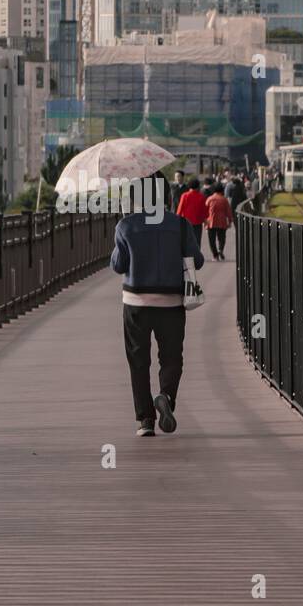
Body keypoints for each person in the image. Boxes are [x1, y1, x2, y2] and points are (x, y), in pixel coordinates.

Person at [110, 178, 205, 437]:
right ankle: (165, 396)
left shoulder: (126, 226)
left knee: (138, 360)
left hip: (136, 303)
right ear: (165, 196)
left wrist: (123, 230)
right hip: (172, 302)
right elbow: (197, 260)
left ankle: (145, 421)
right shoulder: (180, 225)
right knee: (172, 357)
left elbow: (118, 265)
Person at [175, 177, 207, 248]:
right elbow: (204, 211)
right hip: (198, 223)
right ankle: (196, 257)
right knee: (197, 241)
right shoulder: (201, 196)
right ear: (198, 186)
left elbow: (180, 209)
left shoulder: (184, 196)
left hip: (186, 223)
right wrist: (205, 221)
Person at [205, 187, 232, 260]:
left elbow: (205, 210)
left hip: (211, 221)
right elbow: (228, 212)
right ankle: (220, 250)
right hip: (222, 221)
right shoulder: (224, 199)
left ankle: (215, 255)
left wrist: (204, 222)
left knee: (211, 240)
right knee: (222, 238)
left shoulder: (209, 199)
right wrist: (230, 221)